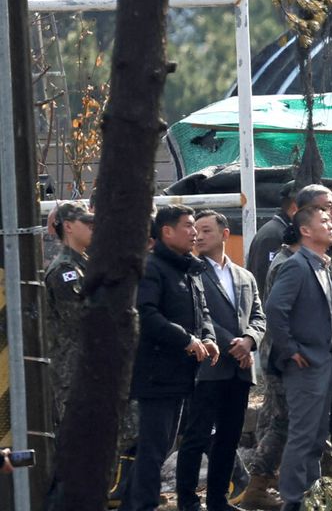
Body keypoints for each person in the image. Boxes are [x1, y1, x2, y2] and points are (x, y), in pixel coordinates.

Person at [239, 184, 332, 510]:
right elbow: (273, 308)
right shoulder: (287, 257)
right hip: (290, 360)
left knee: (306, 431)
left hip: (314, 359)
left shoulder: (319, 259)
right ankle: (274, 489)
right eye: (326, 209)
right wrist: (291, 349)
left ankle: (309, 491)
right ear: (301, 214)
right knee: (288, 427)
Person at [125, 205, 220, 511]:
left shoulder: (188, 268)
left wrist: (208, 337)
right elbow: (147, 315)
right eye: (189, 226)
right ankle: (142, 505)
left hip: (182, 375)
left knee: (162, 447)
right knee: (154, 450)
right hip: (157, 375)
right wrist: (186, 339)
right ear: (166, 231)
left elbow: (202, 311)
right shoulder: (152, 267)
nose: (194, 233)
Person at [176, 210, 264, 511]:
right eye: (196, 230)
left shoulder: (244, 275)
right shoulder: (192, 273)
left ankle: (218, 500)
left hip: (240, 370)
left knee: (229, 437)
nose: (199, 236)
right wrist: (232, 345)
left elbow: (258, 315)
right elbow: (202, 317)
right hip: (209, 367)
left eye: (206, 230)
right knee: (196, 436)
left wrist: (251, 339)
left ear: (225, 234)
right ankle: (187, 500)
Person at [266, 201, 332, 511]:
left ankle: (313, 497)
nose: (331, 225)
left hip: (326, 361)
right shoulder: (296, 265)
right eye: (323, 220)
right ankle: (293, 499)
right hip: (306, 364)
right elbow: (275, 308)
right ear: (305, 230)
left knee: (316, 435)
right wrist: (290, 349)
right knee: (302, 434)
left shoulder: (322, 265)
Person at [42, 201, 93, 423]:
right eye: (87, 222)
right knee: (80, 439)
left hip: (90, 366)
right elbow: (80, 320)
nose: (94, 226)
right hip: (74, 371)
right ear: (69, 227)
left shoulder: (84, 263)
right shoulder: (65, 270)